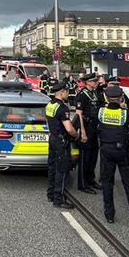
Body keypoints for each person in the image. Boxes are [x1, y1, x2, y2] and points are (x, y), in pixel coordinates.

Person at [97, 86, 129, 228]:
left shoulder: (101, 111)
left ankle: (109, 214)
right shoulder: (125, 113)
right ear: (120, 98)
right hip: (122, 151)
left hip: (106, 149)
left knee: (107, 182)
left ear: (107, 98)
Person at [45, 80, 79, 209]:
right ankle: (58, 199)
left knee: (52, 167)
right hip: (61, 141)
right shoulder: (62, 108)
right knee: (62, 169)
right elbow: (69, 129)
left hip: (53, 139)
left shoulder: (49, 105)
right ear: (62, 92)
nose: (68, 94)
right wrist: (76, 135)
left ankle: (50, 194)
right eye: (67, 92)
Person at [74, 73, 102, 194]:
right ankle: (83, 183)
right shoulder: (82, 95)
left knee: (93, 156)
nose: (96, 83)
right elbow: (79, 114)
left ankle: (90, 179)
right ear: (88, 82)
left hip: (95, 128)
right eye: (94, 81)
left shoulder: (95, 94)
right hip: (86, 127)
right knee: (85, 157)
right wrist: (83, 132)